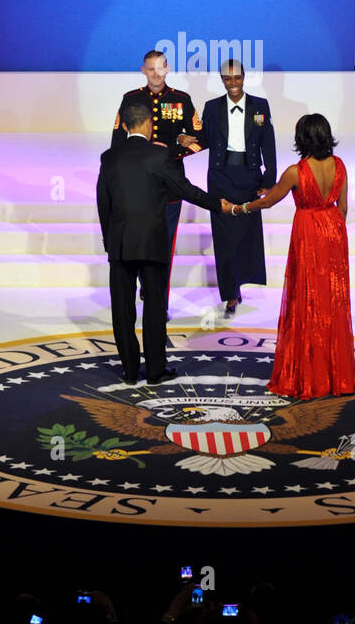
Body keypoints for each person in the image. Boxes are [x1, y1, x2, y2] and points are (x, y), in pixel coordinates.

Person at [98, 98, 231, 384]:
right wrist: (219, 205)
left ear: (123, 125)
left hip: (121, 244)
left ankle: (130, 372)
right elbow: (186, 190)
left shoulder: (109, 158)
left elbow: (103, 203)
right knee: (155, 307)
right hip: (153, 242)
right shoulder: (159, 157)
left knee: (122, 310)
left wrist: (111, 243)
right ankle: (156, 371)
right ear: (147, 124)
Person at [233, 113, 355, 399]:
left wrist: (237, 209)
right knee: (332, 304)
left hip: (309, 236)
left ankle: (309, 378)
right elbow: (344, 207)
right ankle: (335, 377)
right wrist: (334, 235)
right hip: (334, 233)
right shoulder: (339, 166)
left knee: (307, 303)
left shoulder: (295, 171)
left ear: (303, 139)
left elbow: (267, 201)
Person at [111, 50, 206, 307]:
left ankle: (158, 303)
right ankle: (146, 286)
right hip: (136, 187)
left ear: (168, 69)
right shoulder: (130, 100)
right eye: (150, 69)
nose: (155, 74)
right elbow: (118, 143)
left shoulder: (181, 99)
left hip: (169, 186)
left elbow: (203, 138)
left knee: (164, 249)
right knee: (139, 243)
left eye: (160, 68)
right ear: (143, 70)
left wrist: (175, 150)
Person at [199, 59, 276, 315]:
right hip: (220, 178)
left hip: (249, 177)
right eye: (227, 79)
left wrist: (269, 179)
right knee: (223, 240)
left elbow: (268, 142)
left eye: (237, 78)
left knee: (246, 236)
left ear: (245, 77)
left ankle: (240, 283)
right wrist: (180, 142)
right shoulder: (211, 108)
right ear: (222, 80)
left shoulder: (259, 105)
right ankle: (230, 294)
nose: (233, 83)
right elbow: (203, 139)